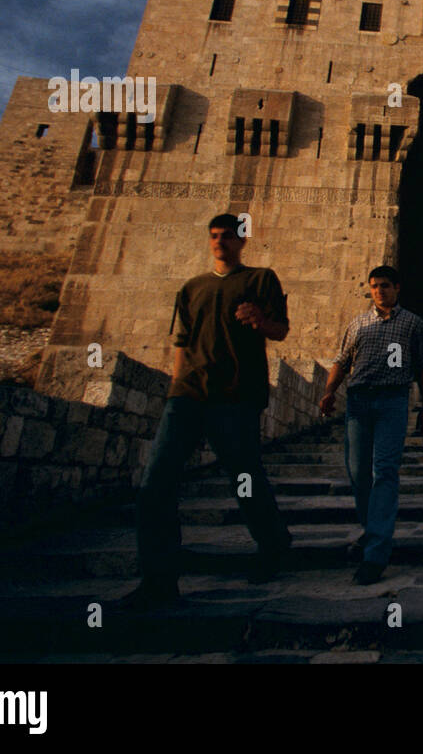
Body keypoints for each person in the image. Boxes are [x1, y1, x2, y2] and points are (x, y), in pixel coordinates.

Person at [117, 213, 293, 610]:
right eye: (214, 236)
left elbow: (281, 330)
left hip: (236, 396)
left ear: (241, 241)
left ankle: (273, 543)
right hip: (188, 396)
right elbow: (181, 342)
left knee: (244, 477)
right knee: (154, 485)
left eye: (227, 236)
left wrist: (260, 320)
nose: (219, 242)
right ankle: (159, 580)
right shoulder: (191, 287)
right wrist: (176, 388)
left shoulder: (260, 279)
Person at [319, 265, 423, 585]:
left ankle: (376, 554)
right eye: (374, 286)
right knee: (357, 472)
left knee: (383, 471)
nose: (379, 291)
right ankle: (373, 531)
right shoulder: (357, 323)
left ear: (397, 288)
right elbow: (342, 361)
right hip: (358, 402)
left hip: (393, 402)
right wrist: (329, 392)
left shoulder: (413, 324)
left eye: (385, 285)